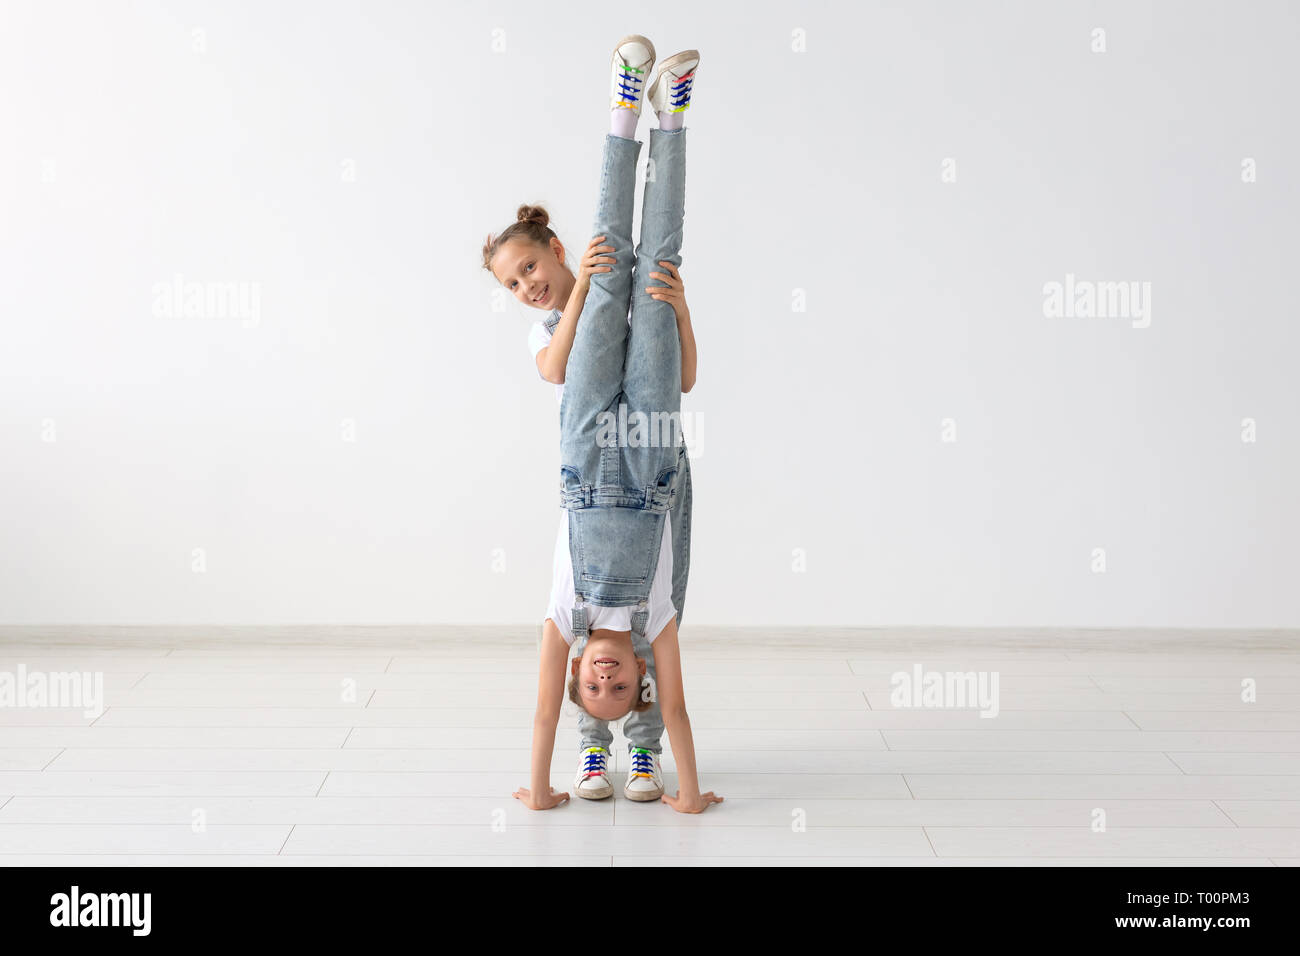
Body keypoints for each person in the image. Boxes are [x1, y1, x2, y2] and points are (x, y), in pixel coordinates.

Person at [493, 35, 719, 814]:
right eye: (620, 688)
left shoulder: (568, 615)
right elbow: (680, 712)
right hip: (652, 441)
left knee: (610, 259)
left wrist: (540, 788)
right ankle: (675, 120)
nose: (605, 679)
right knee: (659, 260)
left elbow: (542, 710)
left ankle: (625, 108)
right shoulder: (658, 623)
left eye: (596, 685)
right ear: (635, 678)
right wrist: (689, 795)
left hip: (587, 441)